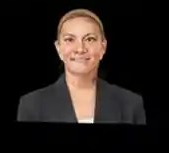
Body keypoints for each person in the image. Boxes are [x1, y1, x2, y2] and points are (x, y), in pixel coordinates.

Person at [17, 9, 146, 125]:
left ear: (103, 47)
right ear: (58, 48)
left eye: (89, 39)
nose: (80, 49)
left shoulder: (131, 104)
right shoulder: (32, 105)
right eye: (70, 40)